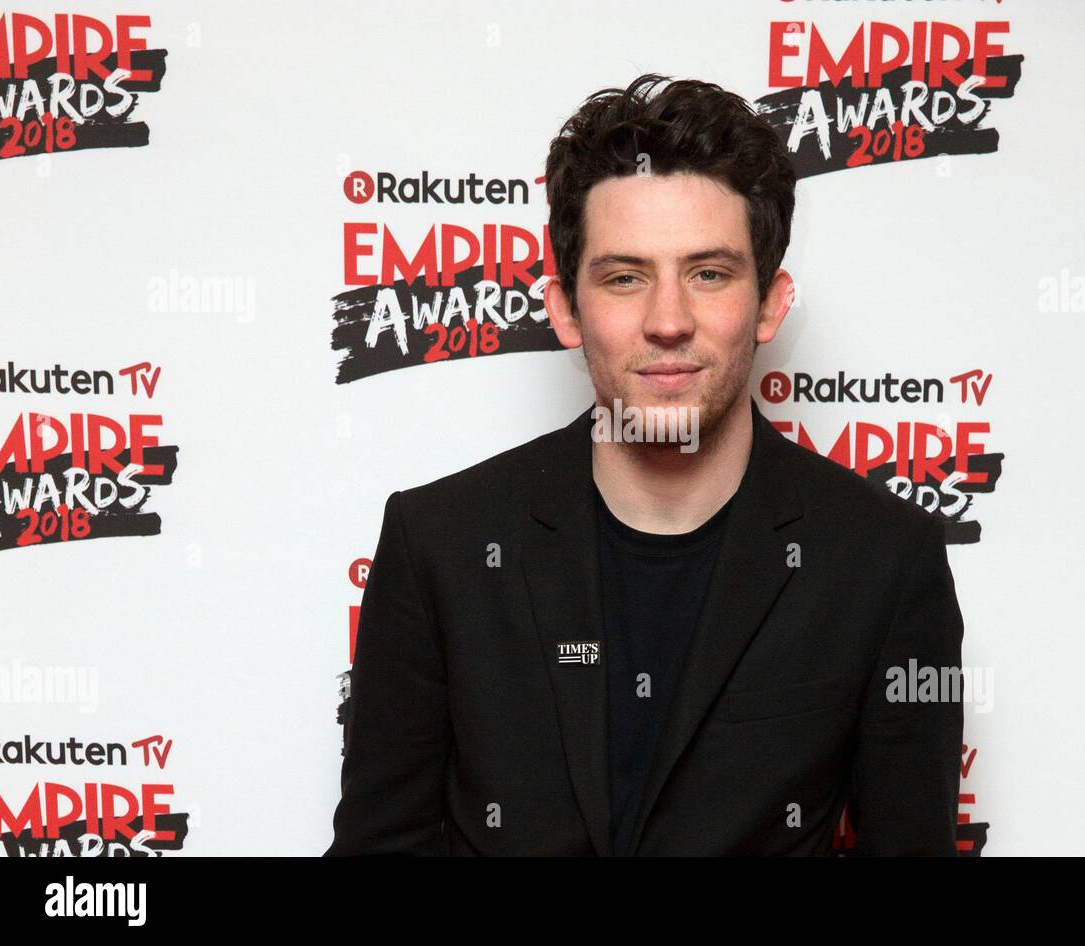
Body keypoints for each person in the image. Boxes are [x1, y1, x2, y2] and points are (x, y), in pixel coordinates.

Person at [325, 73, 965, 856]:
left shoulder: (882, 561)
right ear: (564, 307)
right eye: (625, 277)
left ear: (769, 302)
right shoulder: (440, 544)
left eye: (709, 273)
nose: (668, 321)